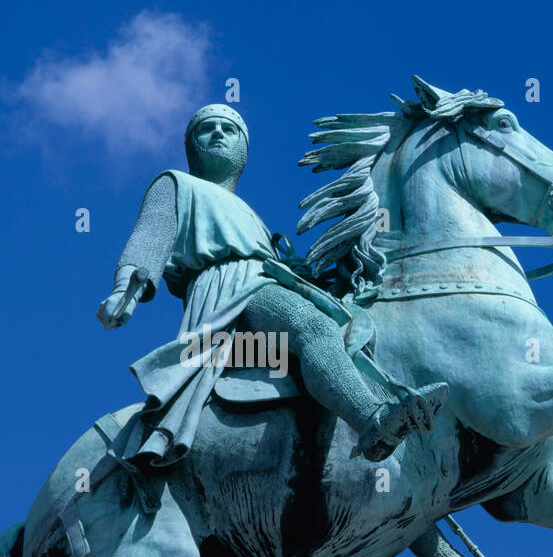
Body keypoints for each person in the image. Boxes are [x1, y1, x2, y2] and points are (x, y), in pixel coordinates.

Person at [97, 103, 447, 469]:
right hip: (230, 289)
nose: (217, 133)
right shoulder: (176, 183)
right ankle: (373, 420)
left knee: (350, 327)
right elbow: (150, 237)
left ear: (243, 153)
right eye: (207, 128)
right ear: (191, 146)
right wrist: (126, 289)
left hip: (265, 284)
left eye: (228, 129)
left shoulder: (256, 221)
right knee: (311, 324)